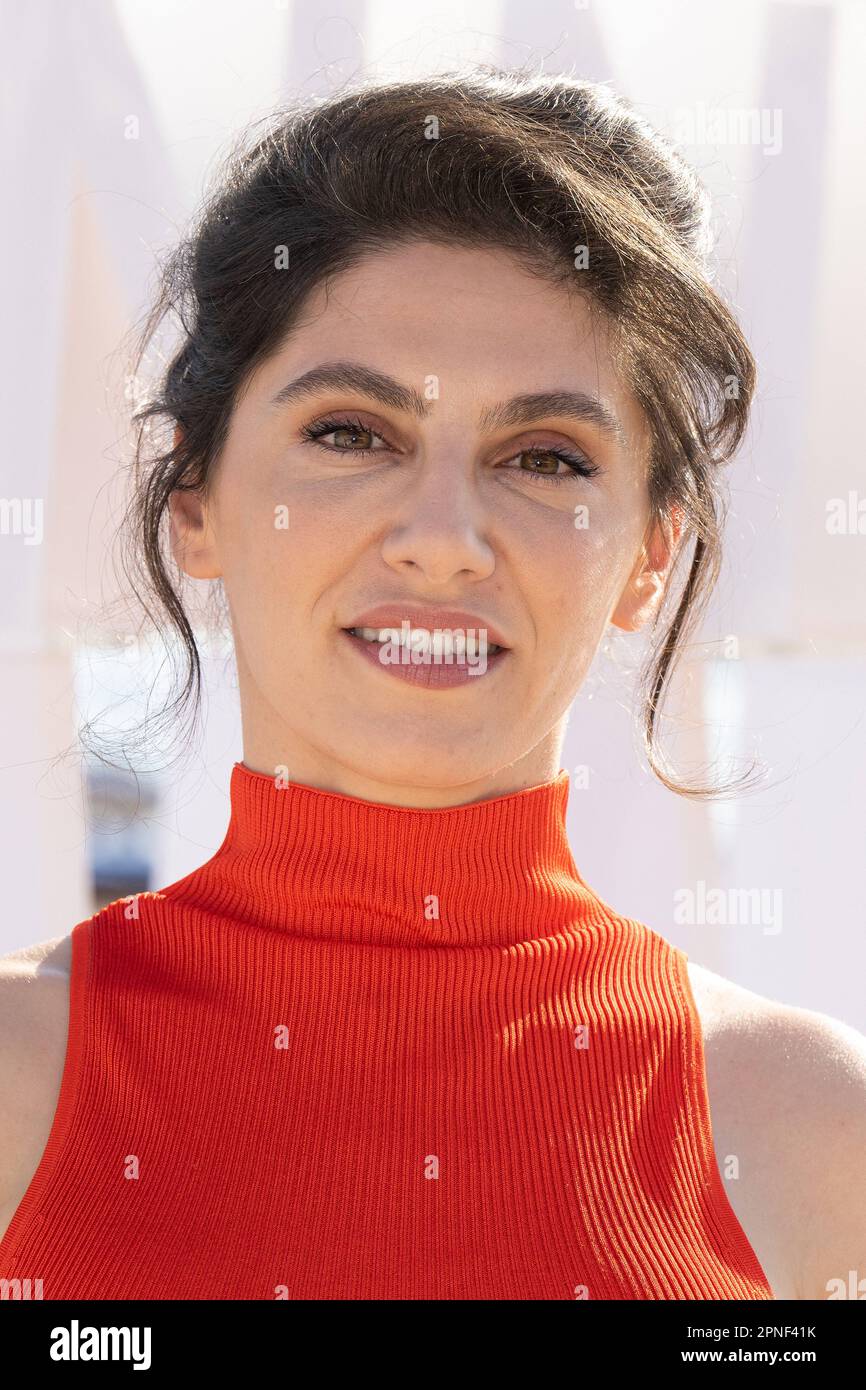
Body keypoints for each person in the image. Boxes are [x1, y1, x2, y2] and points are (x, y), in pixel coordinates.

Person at [1, 65, 864, 1301]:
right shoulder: (17, 1078)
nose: (444, 536)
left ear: (647, 557)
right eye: (350, 433)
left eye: (544, 455)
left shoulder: (809, 1132)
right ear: (194, 503)